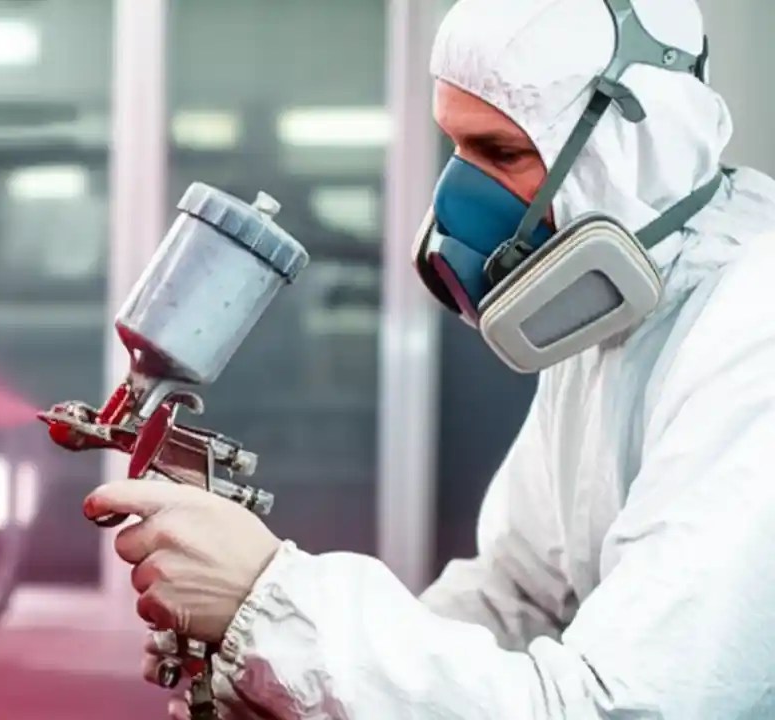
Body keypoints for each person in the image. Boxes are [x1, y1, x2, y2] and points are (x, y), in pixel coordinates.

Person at [83, 0, 775, 717]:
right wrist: (270, 668)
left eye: (501, 153)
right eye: (456, 148)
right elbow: (517, 600)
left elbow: (620, 707)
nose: (457, 199)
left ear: (628, 152)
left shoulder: (753, 333)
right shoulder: (611, 315)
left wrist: (272, 604)